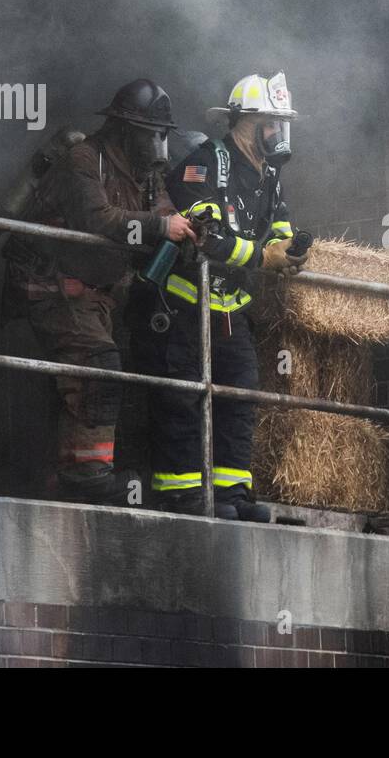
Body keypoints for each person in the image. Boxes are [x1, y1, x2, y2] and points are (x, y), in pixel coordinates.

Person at [3, 78, 196, 504]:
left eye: (162, 135)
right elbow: (98, 220)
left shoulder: (146, 175)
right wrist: (161, 226)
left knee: (104, 369)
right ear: (126, 128)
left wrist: (190, 229)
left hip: (95, 295)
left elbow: (166, 212)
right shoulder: (83, 159)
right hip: (49, 285)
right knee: (97, 361)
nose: (158, 145)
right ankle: (86, 475)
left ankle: (75, 471)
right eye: (152, 134)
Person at [129, 71, 307, 520]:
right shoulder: (205, 164)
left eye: (281, 123)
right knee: (183, 397)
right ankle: (181, 493)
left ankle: (231, 494)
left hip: (232, 310)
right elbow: (205, 237)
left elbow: (279, 227)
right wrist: (262, 258)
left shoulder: (270, 176)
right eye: (271, 122)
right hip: (185, 305)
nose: (278, 132)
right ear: (245, 122)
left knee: (239, 395)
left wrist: (290, 251)